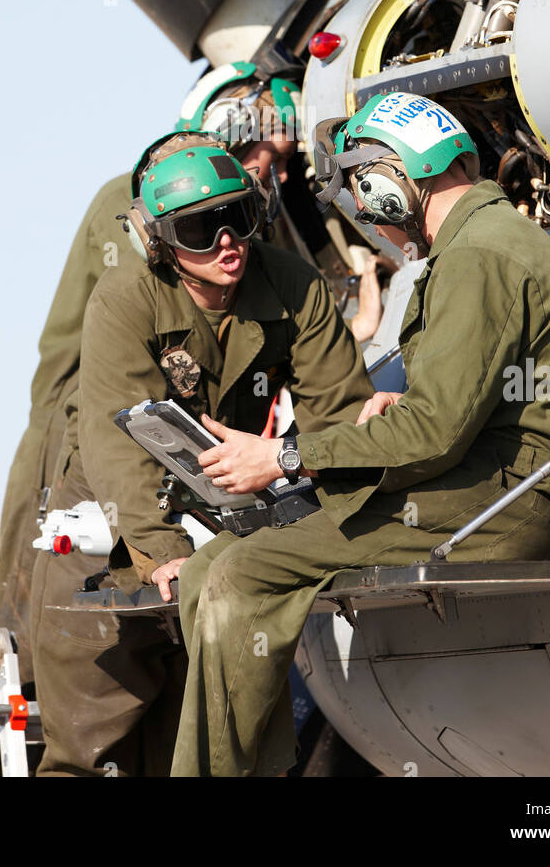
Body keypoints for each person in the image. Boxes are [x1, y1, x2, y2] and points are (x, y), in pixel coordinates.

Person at [169, 91, 550, 778]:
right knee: (207, 567)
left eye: (362, 190)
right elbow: (454, 409)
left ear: (389, 179)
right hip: (476, 484)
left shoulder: (478, 256)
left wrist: (283, 455)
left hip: (496, 506)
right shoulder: (487, 244)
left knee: (238, 574)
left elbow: (433, 433)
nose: (367, 212)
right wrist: (397, 410)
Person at [30, 131, 373, 776]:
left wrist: (313, 487)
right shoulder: (124, 299)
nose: (227, 242)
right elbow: (115, 441)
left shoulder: (293, 285)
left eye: (238, 218)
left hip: (222, 506)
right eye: (199, 228)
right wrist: (161, 552)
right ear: (159, 243)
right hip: (111, 509)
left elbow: (341, 415)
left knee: (193, 739)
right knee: (89, 741)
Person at [0, 62, 300, 689]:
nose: (284, 173)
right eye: (273, 154)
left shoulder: (244, 226)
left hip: (172, 440)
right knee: (67, 647)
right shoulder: (132, 210)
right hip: (82, 432)